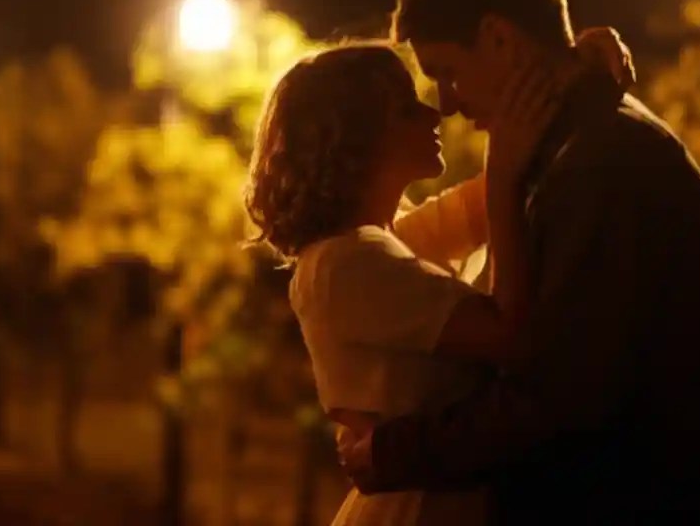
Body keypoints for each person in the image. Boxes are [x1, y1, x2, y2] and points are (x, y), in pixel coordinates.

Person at [335, 0, 700, 525]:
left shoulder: (595, 164)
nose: (444, 103)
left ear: (498, 38)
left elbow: (557, 396)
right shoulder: (586, 142)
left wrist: (393, 452)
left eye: (447, 73)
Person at [244, 43, 569, 525]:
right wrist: (505, 166)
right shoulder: (349, 263)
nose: (433, 113)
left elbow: (482, 204)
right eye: (405, 109)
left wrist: (573, 70)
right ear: (359, 139)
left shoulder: (385, 240)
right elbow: (507, 333)